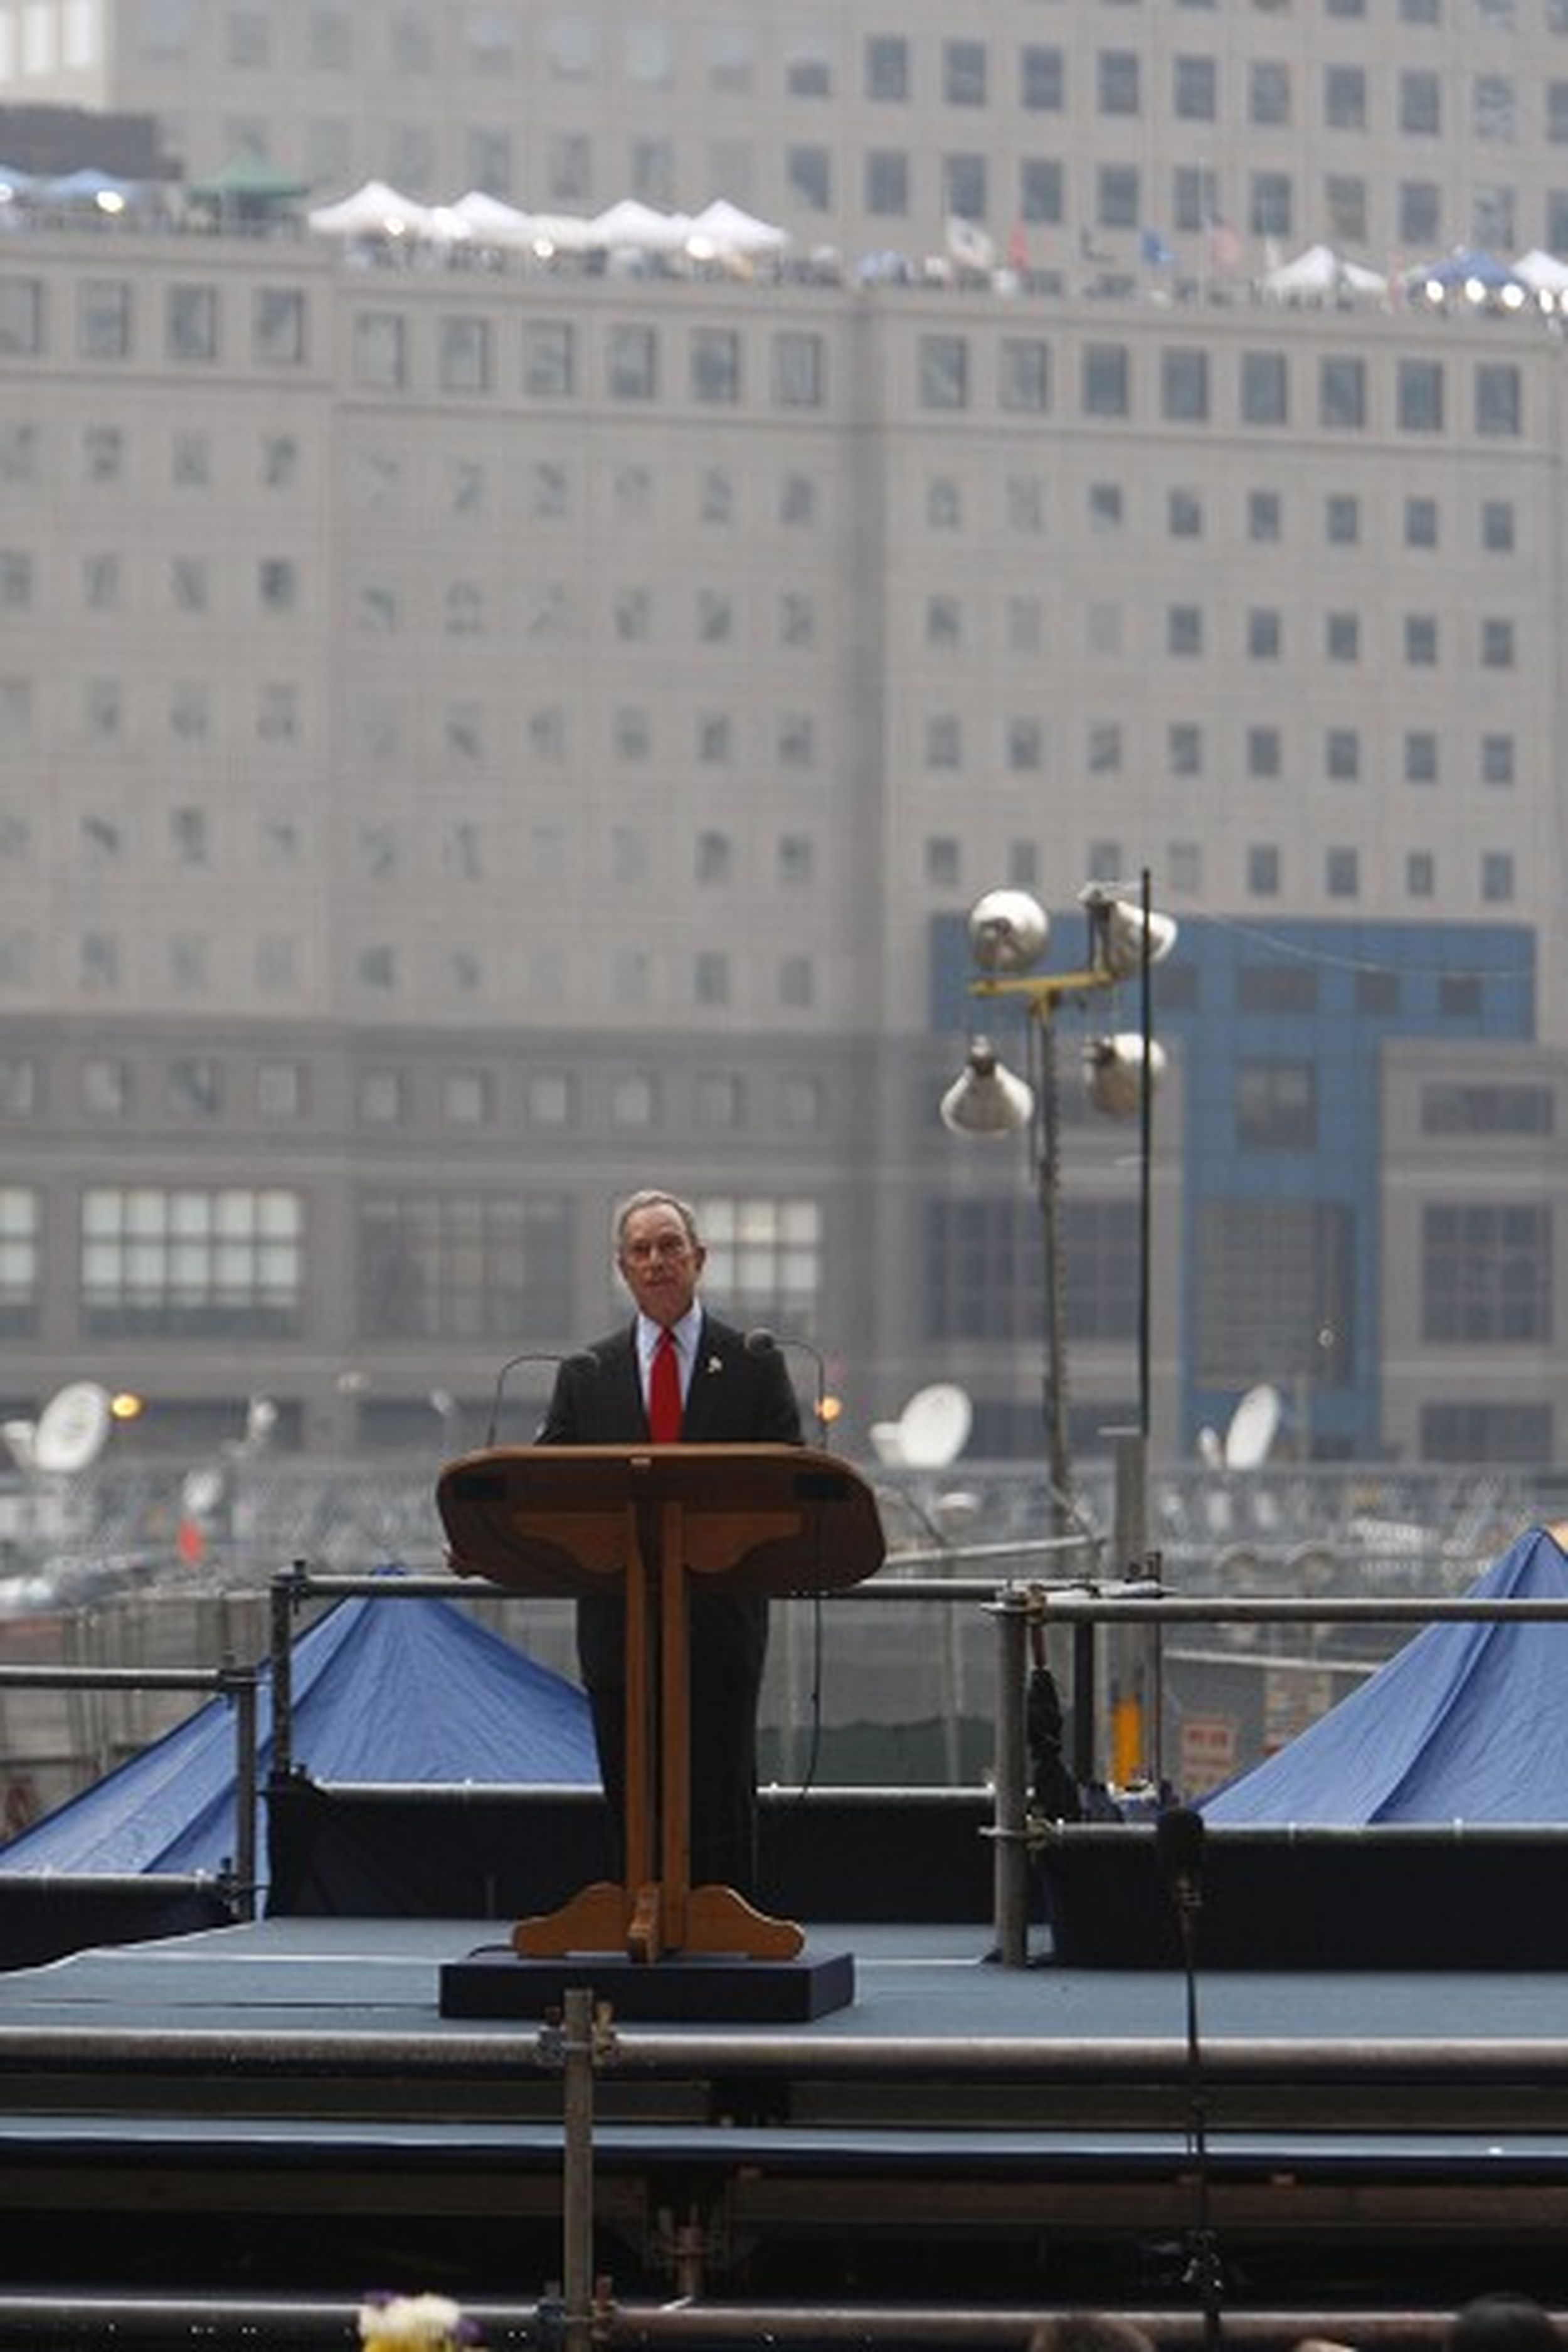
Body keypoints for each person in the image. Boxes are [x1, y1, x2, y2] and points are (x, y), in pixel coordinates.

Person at [537, 1187, 803, 1897]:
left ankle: (723, 1924)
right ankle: (638, 1916)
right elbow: (545, 1492)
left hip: (718, 1621)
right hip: (619, 1622)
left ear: (699, 1259)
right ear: (622, 1268)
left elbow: (788, 1485)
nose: (657, 1262)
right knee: (633, 1780)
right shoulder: (586, 1376)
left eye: (669, 1247)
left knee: (717, 1781)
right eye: (641, 1251)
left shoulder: (751, 1363)